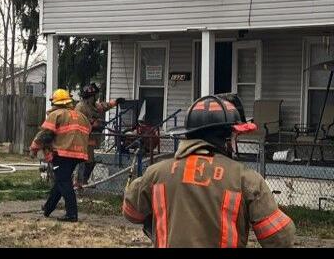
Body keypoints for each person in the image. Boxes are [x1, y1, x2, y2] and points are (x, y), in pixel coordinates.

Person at [123, 95, 296, 248]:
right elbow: (280, 238)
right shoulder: (246, 179)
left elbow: (131, 213)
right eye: (234, 136)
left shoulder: (156, 173)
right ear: (226, 138)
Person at [29, 88, 90, 222]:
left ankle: (72, 214)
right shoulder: (81, 116)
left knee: (63, 181)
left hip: (62, 154)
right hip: (79, 154)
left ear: (55, 102)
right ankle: (48, 208)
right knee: (61, 180)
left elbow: (45, 135)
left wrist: (34, 148)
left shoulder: (56, 114)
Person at [75, 83, 124, 188]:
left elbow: (103, 106)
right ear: (91, 96)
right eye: (96, 95)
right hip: (82, 139)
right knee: (84, 161)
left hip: (90, 139)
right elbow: (77, 122)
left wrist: (115, 102)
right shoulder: (80, 107)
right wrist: (93, 124)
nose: (97, 97)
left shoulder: (92, 106)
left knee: (90, 162)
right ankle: (79, 183)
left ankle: (83, 181)